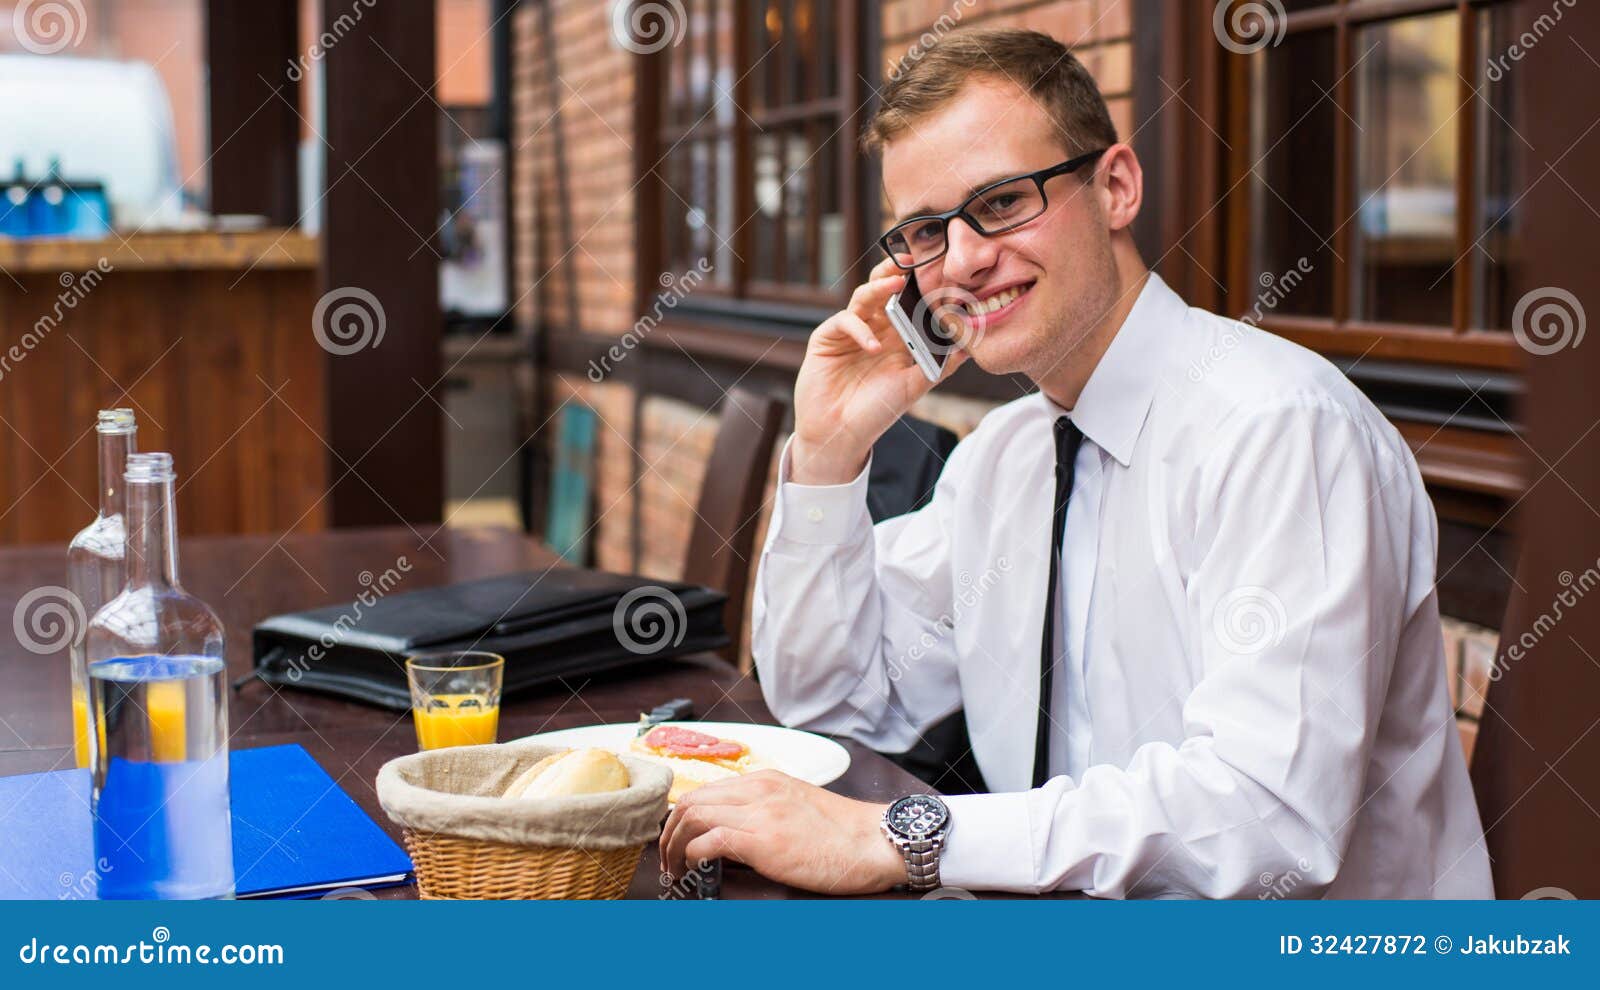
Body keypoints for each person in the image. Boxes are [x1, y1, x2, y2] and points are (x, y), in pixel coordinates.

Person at [658, 28, 1493, 898]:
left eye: (1003, 202)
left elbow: (1265, 822)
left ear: (1116, 188)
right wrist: (830, 456)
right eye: (925, 231)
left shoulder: (1280, 430)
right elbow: (837, 705)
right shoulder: (1003, 460)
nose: (965, 261)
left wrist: (910, 837)